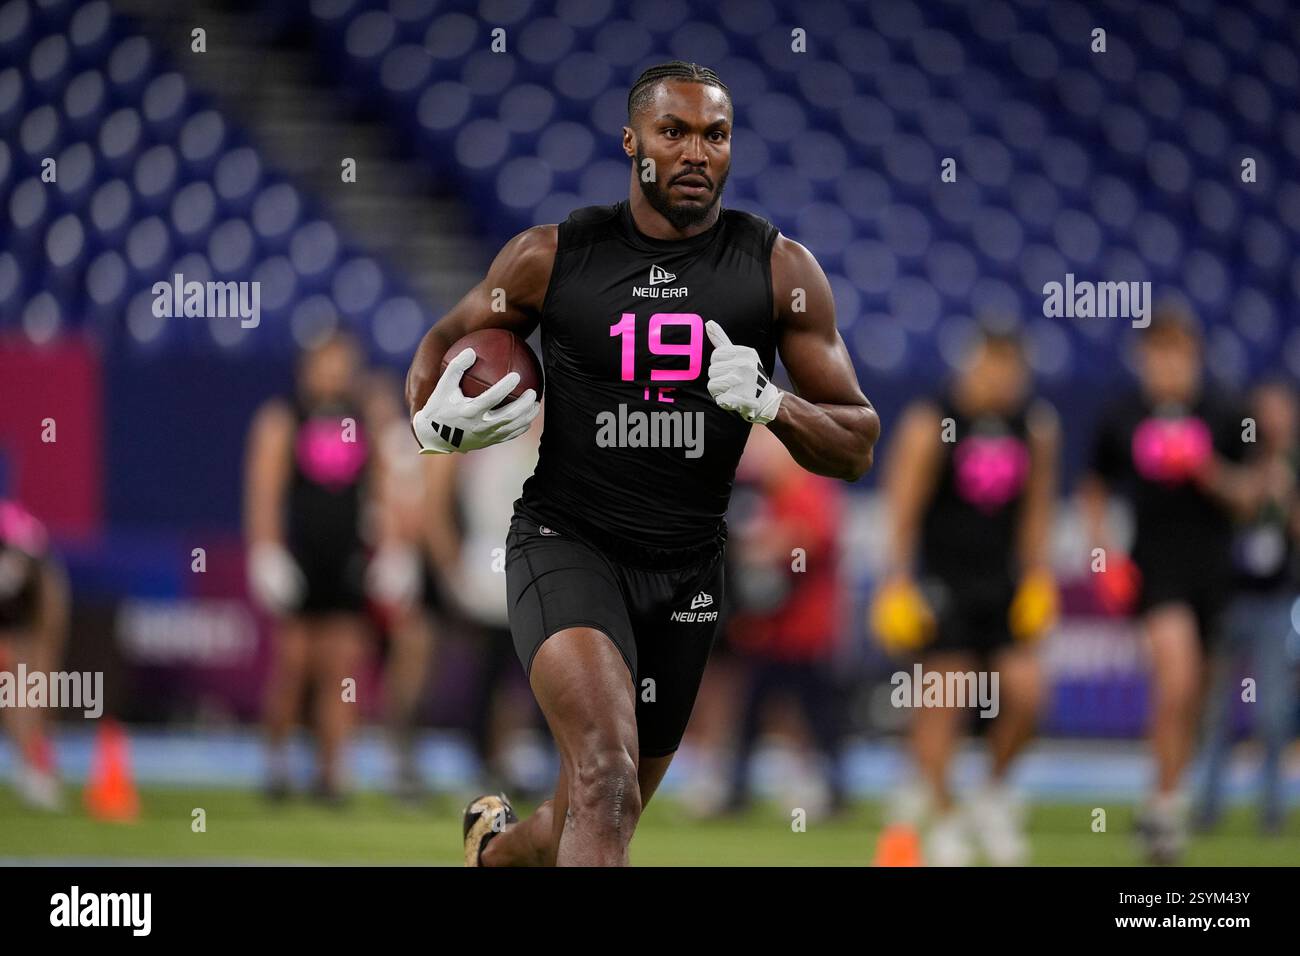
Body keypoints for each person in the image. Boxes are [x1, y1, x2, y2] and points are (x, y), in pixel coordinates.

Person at [405, 61, 880, 866]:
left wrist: (772, 403)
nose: (697, 152)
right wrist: (429, 419)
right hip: (567, 542)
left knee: (597, 810)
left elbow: (858, 440)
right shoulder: (551, 257)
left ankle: (492, 857)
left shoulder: (777, 270)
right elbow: (440, 346)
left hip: (688, 573)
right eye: (675, 132)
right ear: (633, 143)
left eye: (716, 135)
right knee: (605, 775)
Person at [870, 328, 1059, 865]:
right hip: (942, 582)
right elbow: (902, 503)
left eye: (1012, 367)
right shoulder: (934, 419)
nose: (1003, 379)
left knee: (1027, 693)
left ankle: (992, 796)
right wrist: (895, 580)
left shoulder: (1036, 425)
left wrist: (1038, 577)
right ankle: (945, 820)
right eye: (994, 365)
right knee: (942, 700)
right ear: (974, 363)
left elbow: (1038, 508)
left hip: (1003, 583)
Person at [1079, 305, 1253, 863]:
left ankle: (1164, 803)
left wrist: (1208, 470)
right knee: (1175, 679)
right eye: (1158, 354)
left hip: (1213, 571)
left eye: (1178, 353)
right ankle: (1164, 801)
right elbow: (1094, 487)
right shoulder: (1124, 414)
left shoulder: (1225, 410)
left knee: (1195, 696)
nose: (1168, 365)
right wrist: (1102, 554)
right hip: (1155, 567)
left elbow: (1252, 496)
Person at [244, 331, 401, 803]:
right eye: (326, 364)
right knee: (293, 666)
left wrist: (392, 551)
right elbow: (264, 490)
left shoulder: (364, 419)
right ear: (307, 367)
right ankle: (276, 765)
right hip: (300, 559)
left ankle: (333, 774)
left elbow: (382, 487)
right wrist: (265, 550)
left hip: (348, 561)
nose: (334, 374)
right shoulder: (284, 418)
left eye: (343, 364)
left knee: (342, 671)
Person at [723, 425, 849, 817]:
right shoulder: (768, 497)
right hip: (771, 633)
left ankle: (832, 789)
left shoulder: (807, 490)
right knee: (753, 714)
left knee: (818, 714)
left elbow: (811, 540)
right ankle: (738, 789)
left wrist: (766, 546)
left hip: (806, 632)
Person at [1195, 377, 1299, 834]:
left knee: (1271, 711)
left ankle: (1271, 809)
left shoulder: (1295, 467)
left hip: (1275, 603)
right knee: (1216, 711)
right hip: (1227, 597)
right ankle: (1208, 807)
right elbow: (1218, 501)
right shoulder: (1236, 456)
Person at [0, 498, 69, 811]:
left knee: (27, 690)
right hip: (16, 611)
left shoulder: (21, 537)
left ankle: (35, 764)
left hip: (30, 610)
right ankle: (30, 763)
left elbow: (48, 607)